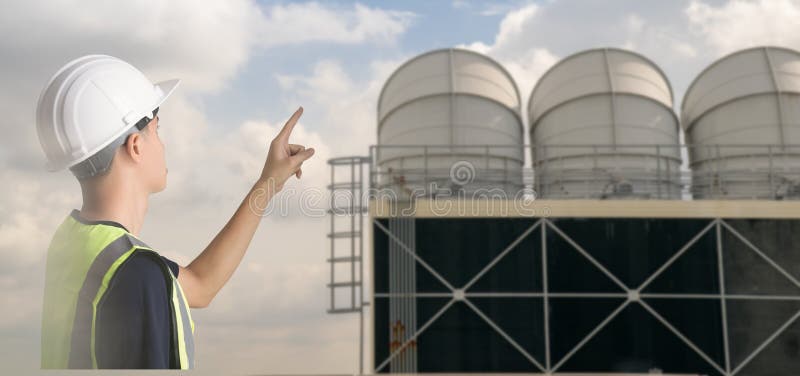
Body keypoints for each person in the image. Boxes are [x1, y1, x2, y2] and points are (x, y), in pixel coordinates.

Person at [36, 55, 315, 369]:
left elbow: (201, 285)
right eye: (157, 130)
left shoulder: (76, 243)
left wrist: (268, 183)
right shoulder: (136, 273)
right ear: (136, 145)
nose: (163, 144)